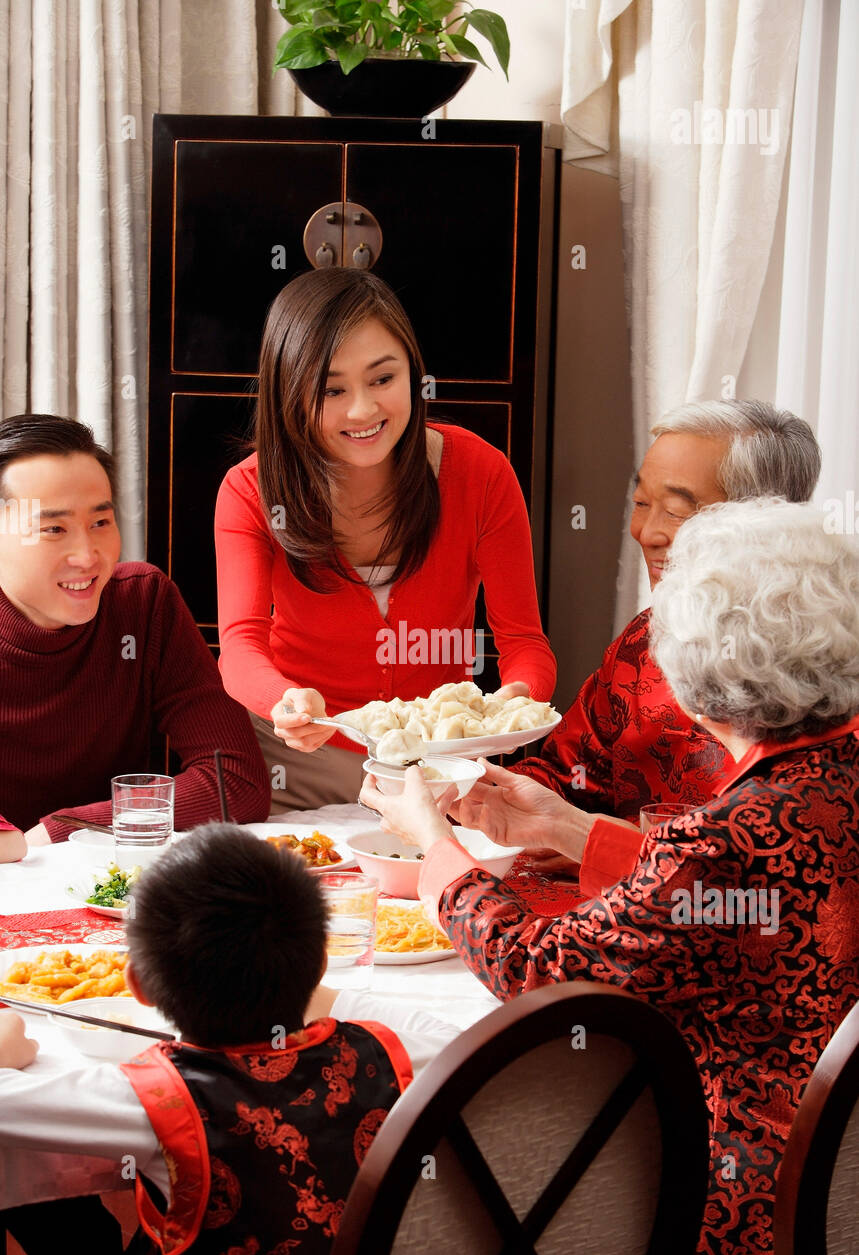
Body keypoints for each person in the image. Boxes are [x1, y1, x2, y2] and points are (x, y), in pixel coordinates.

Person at [361, 498, 859, 1255]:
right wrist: (565, 826)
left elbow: (536, 967)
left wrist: (433, 847)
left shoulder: (725, 838)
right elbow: (742, 906)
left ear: (698, 680)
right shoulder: (823, 784)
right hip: (840, 1187)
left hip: (728, 1208)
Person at [0, 823, 460, 1255]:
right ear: (321, 963)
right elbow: (455, 1038)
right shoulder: (391, 1056)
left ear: (137, 986)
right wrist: (299, 981)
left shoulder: (155, 1098)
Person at [215, 267, 556, 811]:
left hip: (437, 762)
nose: (363, 411)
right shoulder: (249, 490)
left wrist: (519, 700)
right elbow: (239, 644)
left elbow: (526, 645)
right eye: (331, 389)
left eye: (382, 379)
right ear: (289, 391)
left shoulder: (480, 473)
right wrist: (282, 701)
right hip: (296, 760)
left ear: (413, 373)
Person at [508, 400, 821, 884]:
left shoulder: (828, 669)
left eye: (676, 512)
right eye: (640, 503)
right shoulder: (645, 640)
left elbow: (783, 874)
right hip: (606, 922)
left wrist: (606, 845)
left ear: (766, 526)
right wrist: (465, 784)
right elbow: (566, 777)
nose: (644, 532)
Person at [0, 414, 270, 843]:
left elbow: (238, 782)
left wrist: (59, 830)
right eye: (53, 529)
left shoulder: (141, 603)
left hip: (109, 881)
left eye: (100, 523)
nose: (87, 556)